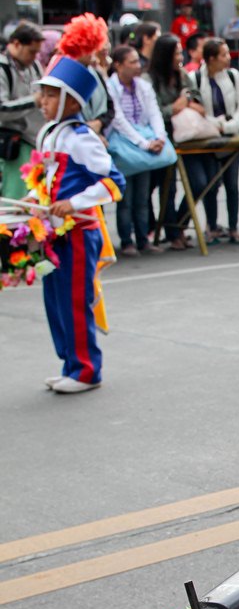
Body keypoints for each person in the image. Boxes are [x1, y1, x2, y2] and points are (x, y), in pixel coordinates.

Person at [29, 56, 124, 392]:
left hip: (80, 234)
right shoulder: (48, 135)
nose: (43, 102)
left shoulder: (81, 137)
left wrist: (74, 203)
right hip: (52, 233)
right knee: (55, 301)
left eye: (51, 95)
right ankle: (70, 364)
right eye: (43, 94)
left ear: (71, 100)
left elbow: (114, 183)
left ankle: (86, 371)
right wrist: (33, 199)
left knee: (73, 300)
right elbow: (44, 179)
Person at [146, 32, 206, 249]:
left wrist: (186, 102)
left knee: (199, 183)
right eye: (176, 52)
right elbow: (151, 113)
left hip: (188, 138)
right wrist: (174, 108)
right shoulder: (150, 79)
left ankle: (180, 225)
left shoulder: (183, 75)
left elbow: (198, 101)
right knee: (166, 188)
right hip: (163, 139)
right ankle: (172, 233)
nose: (180, 56)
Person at [107, 44, 168, 255]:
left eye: (137, 61)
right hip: (125, 146)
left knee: (142, 196)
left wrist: (159, 137)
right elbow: (118, 120)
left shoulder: (143, 86)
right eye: (131, 62)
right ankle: (126, 241)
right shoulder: (111, 87)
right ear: (118, 65)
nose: (137, 66)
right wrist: (143, 142)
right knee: (126, 197)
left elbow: (154, 113)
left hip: (146, 145)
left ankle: (143, 239)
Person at [193, 37, 239, 243]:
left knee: (232, 185)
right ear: (211, 58)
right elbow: (197, 108)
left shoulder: (233, 76)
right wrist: (215, 125)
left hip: (232, 136)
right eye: (223, 55)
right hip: (208, 137)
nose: (227, 59)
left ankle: (234, 227)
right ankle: (212, 226)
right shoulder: (196, 78)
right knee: (211, 184)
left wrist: (230, 126)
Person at [0, 21, 44, 199]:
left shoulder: (33, 66)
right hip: (15, 145)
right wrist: (33, 101)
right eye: (31, 52)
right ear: (16, 44)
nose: (34, 57)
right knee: (16, 202)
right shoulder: (3, 68)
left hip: (35, 143)